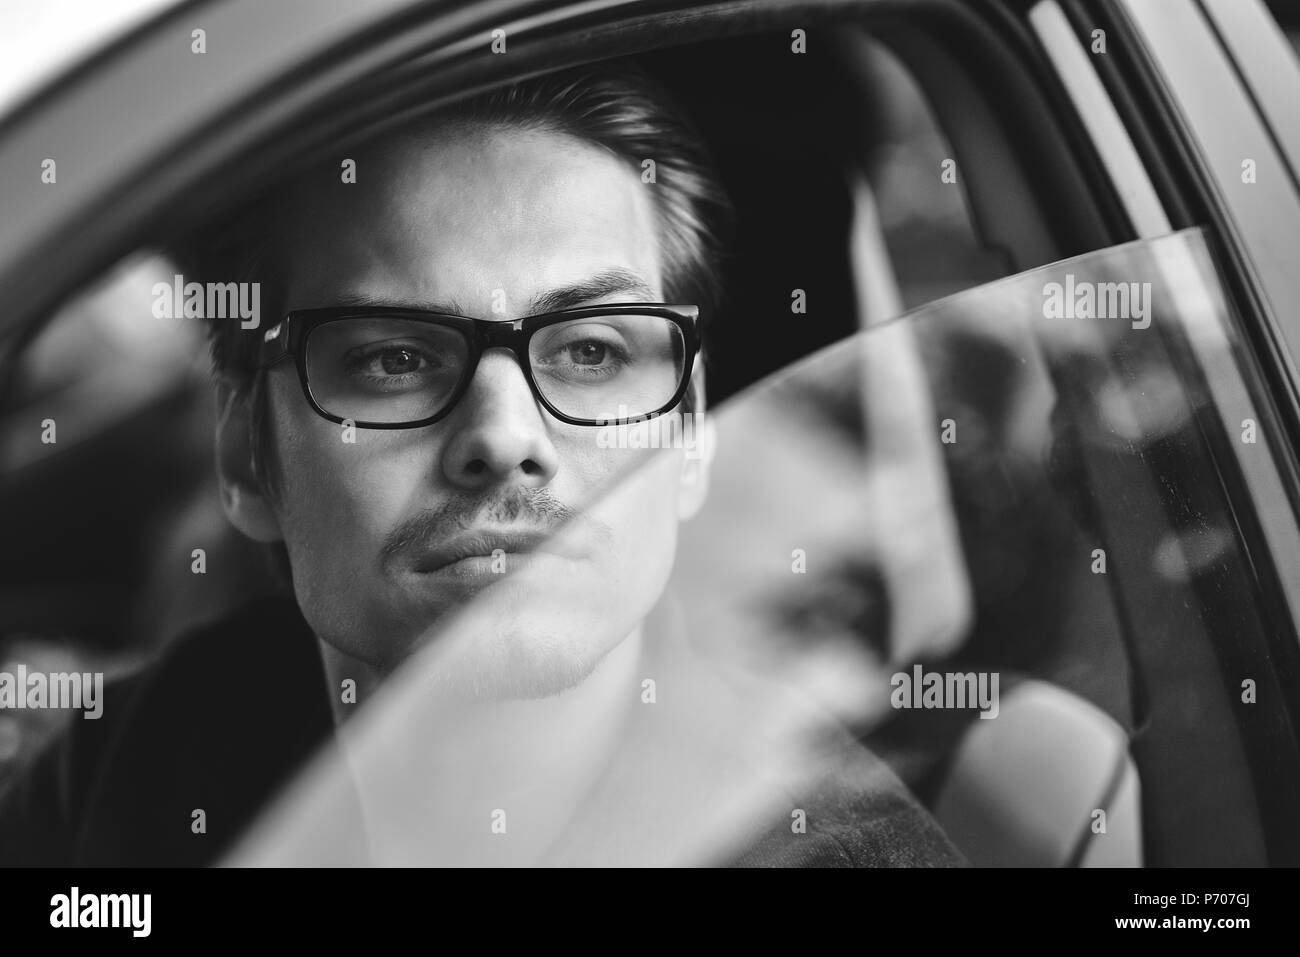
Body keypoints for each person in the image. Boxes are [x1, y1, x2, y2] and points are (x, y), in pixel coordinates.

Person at [0, 58, 965, 867]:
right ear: (248, 457)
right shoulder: (151, 756)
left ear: (689, 436)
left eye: (592, 351)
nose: (505, 436)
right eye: (394, 358)